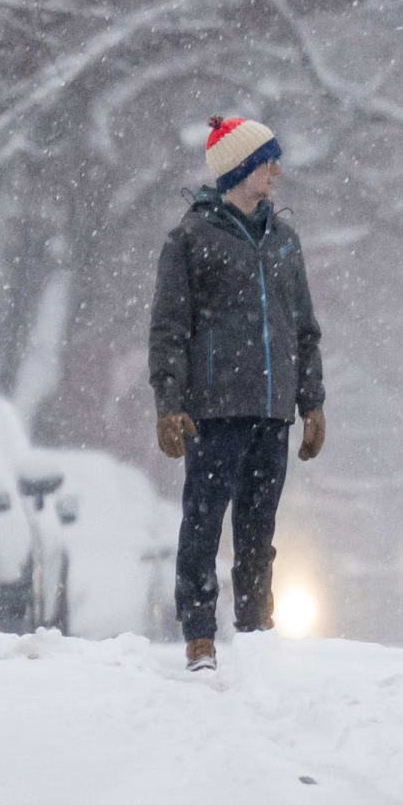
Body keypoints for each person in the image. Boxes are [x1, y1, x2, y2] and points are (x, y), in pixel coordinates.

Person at [149, 114, 326, 672]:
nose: (276, 168)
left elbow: (304, 327)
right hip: (215, 412)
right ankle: (199, 633)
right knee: (202, 523)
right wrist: (169, 404)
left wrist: (312, 401)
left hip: (273, 413)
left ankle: (255, 630)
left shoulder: (285, 241)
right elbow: (169, 329)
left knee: (259, 530)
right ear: (240, 168)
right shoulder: (189, 240)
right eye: (267, 158)